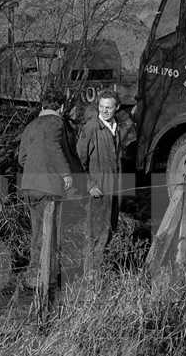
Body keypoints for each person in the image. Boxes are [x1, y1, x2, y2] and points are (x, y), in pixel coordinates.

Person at [14, 93, 81, 312]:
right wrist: (66, 174)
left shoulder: (31, 125)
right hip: (50, 186)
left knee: (37, 232)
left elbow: (21, 158)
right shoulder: (56, 123)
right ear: (61, 107)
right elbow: (55, 148)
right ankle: (49, 277)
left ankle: (34, 276)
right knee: (53, 233)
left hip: (30, 186)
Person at [73, 90, 125, 275]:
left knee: (109, 230)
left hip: (113, 189)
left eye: (109, 107)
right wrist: (90, 186)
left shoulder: (116, 128)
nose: (105, 111)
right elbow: (79, 161)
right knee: (95, 234)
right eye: (102, 107)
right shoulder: (92, 128)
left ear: (116, 108)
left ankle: (99, 273)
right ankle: (91, 276)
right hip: (98, 190)